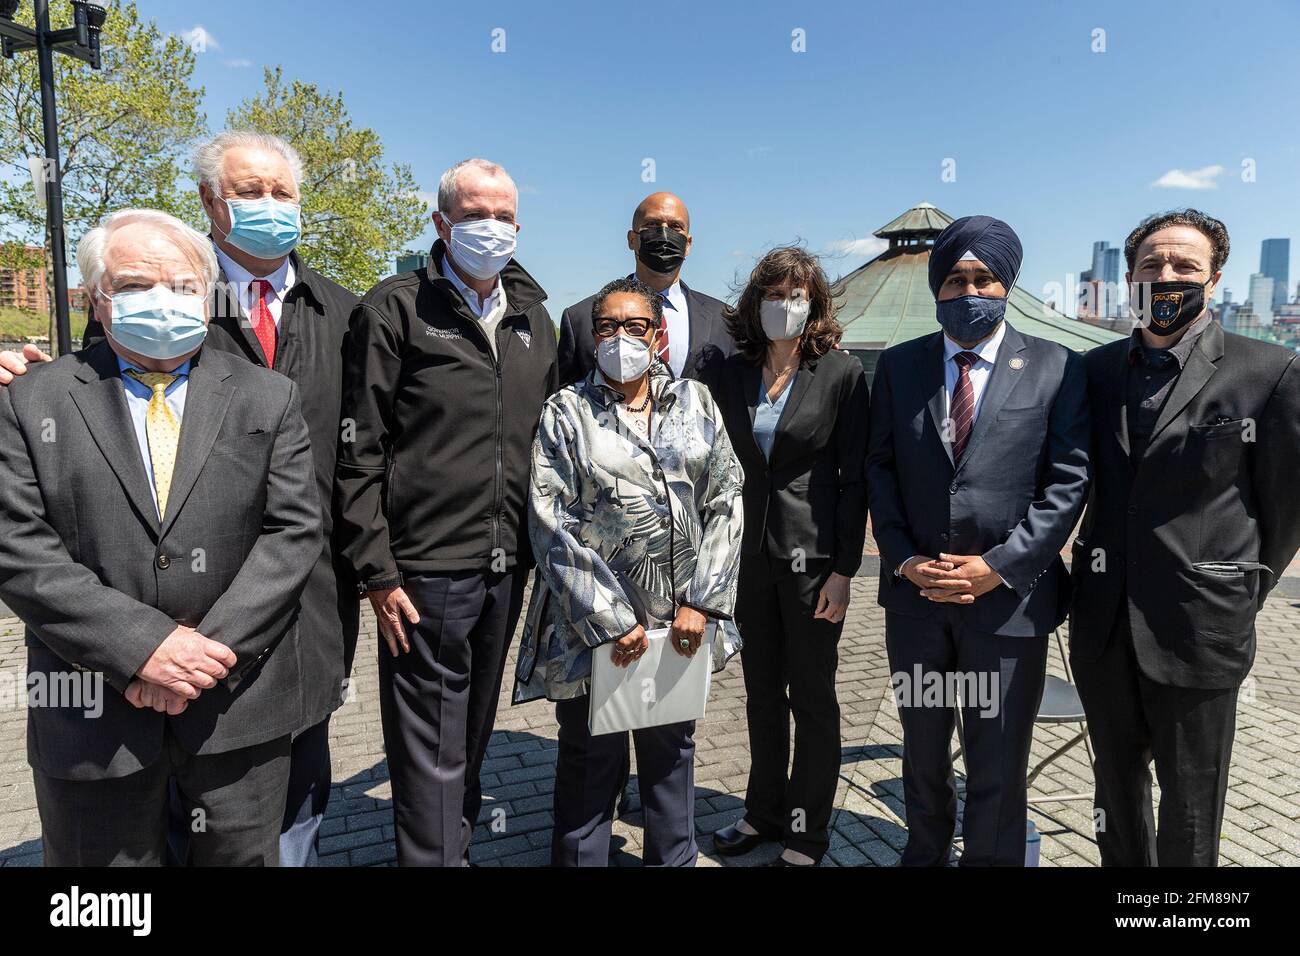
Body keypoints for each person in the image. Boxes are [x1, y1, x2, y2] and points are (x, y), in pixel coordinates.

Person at [0, 131, 360, 867]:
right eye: (134, 287)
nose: (160, 301)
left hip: (237, 710)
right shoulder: (33, 400)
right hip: (95, 720)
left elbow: (293, 532)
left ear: (208, 294)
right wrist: (142, 650)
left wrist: (204, 655)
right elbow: (20, 548)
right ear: (95, 302)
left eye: (181, 287)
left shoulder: (267, 394)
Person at [336, 158, 559, 866]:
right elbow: (359, 447)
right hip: (423, 572)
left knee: (469, 733)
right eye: (473, 214)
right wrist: (377, 570)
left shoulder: (533, 317)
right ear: (440, 222)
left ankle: (449, 848)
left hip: (505, 564)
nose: (488, 227)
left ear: (518, 225)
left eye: (501, 215)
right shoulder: (395, 308)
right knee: (429, 742)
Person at [1070, 209, 1300, 866]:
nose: (1166, 276)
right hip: (1103, 622)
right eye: (1151, 265)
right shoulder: (1094, 372)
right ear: (1129, 276)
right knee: (1114, 799)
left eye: (1184, 266)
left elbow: (1284, 509)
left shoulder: (1270, 372)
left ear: (1215, 278)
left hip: (1202, 626)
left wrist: (1238, 586)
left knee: (1193, 809)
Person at [866, 215, 1090, 866]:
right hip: (917, 604)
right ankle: (925, 855)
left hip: (1007, 609)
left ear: (1006, 285)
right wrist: (904, 558)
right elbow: (879, 468)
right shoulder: (901, 367)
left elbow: (1067, 482)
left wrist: (1000, 566)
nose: (970, 290)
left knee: (996, 760)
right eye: (957, 278)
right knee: (923, 750)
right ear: (937, 288)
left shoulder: (1055, 368)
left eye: (984, 278)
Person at [516, 276, 744, 866]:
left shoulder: (695, 403)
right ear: (592, 339)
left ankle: (674, 859)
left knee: (671, 763)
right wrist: (612, 619)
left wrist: (702, 601)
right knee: (591, 766)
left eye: (635, 326)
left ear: (658, 333)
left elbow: (726, 498)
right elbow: (549, 521)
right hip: (593, 630)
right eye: (608, 328)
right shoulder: (566, 412)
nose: (622, 338)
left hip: (679, 627)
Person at [699, 247, 870, 867]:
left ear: (815, 304)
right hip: (747, 560)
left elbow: (855, 480)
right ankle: (763, 811)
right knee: (762, 694)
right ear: (755, 304)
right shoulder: (730, 372)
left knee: (814, 699)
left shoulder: (842, 374)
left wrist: (846, 572)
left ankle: (807, 830)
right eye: (773, 295)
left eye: (797, 295)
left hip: (814, 563)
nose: (785, 306)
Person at [556, 192, 733, 386]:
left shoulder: (725, 320)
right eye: (652, 225)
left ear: (688, 244)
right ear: (632, 239)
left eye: (675, 227)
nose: (664, 234)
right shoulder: (580, 318)